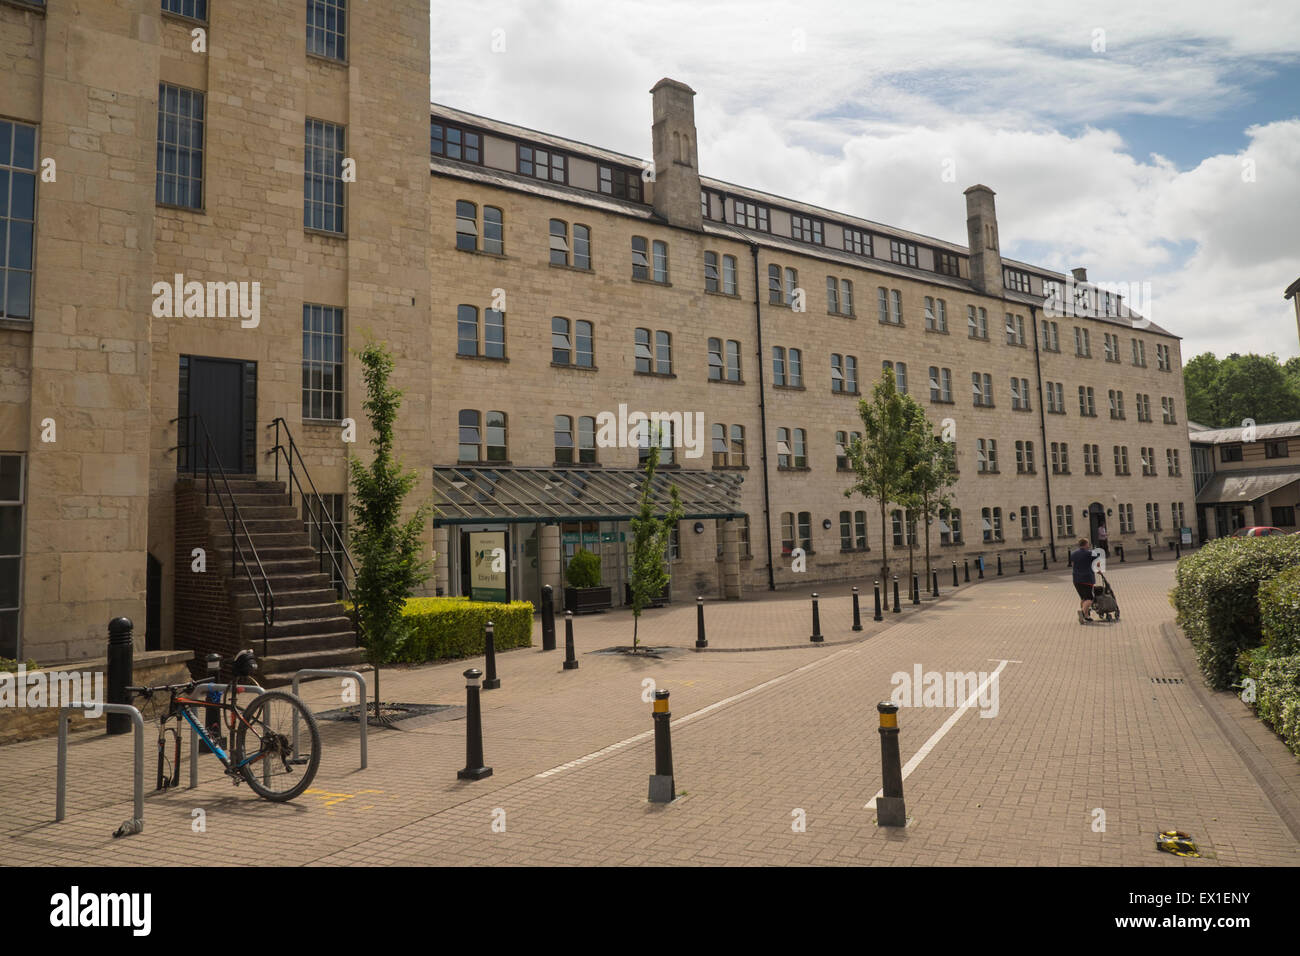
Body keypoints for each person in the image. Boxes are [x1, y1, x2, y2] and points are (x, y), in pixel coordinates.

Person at [1069, 537, 1097, 624]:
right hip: (1087, 579)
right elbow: (1097, 561)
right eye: (1088, 544)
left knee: (1083, 598)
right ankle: (1082, 613)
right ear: (1085, 544)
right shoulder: (1089, 553)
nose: (1088, 546)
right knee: (1089, 599)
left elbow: (1073, 565)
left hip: (1076, 579)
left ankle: (1086, 616)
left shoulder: (1073, 554)